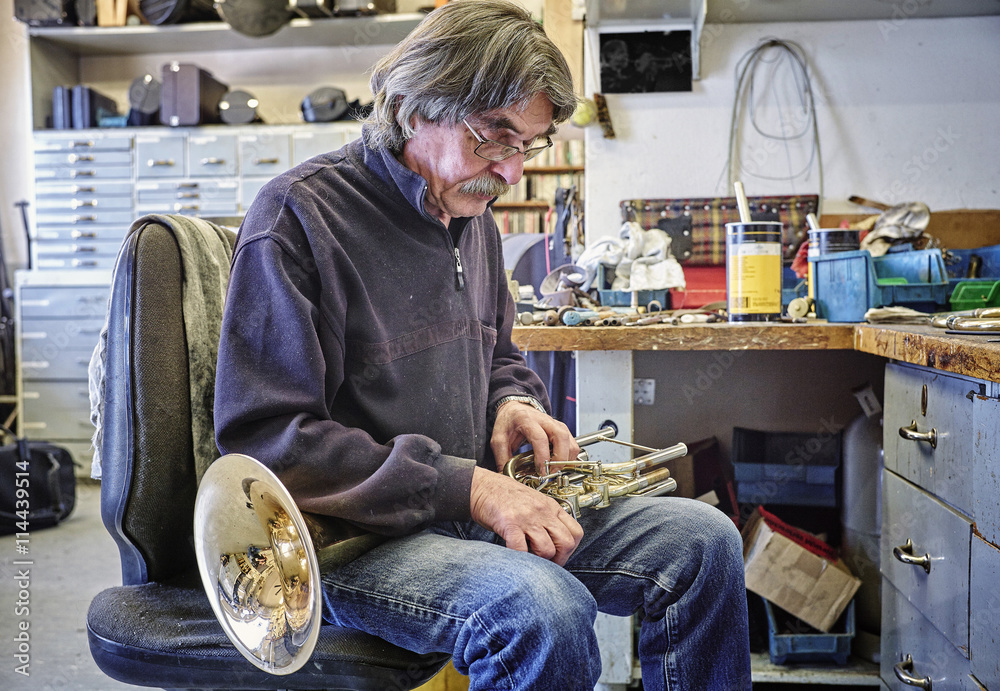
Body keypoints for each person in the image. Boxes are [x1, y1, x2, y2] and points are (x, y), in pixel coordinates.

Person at [214, 1, 751, 688]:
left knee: (705, 545)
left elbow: (497, 354)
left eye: (527, 146)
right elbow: (267, 440)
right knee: (542, 611)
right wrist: (470, 487)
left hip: (462, 514)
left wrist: (512, 402)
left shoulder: (474, 220)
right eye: (493, 137)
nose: (510, 172)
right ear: (413, 107)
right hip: (353, 542)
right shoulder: (300, 217)